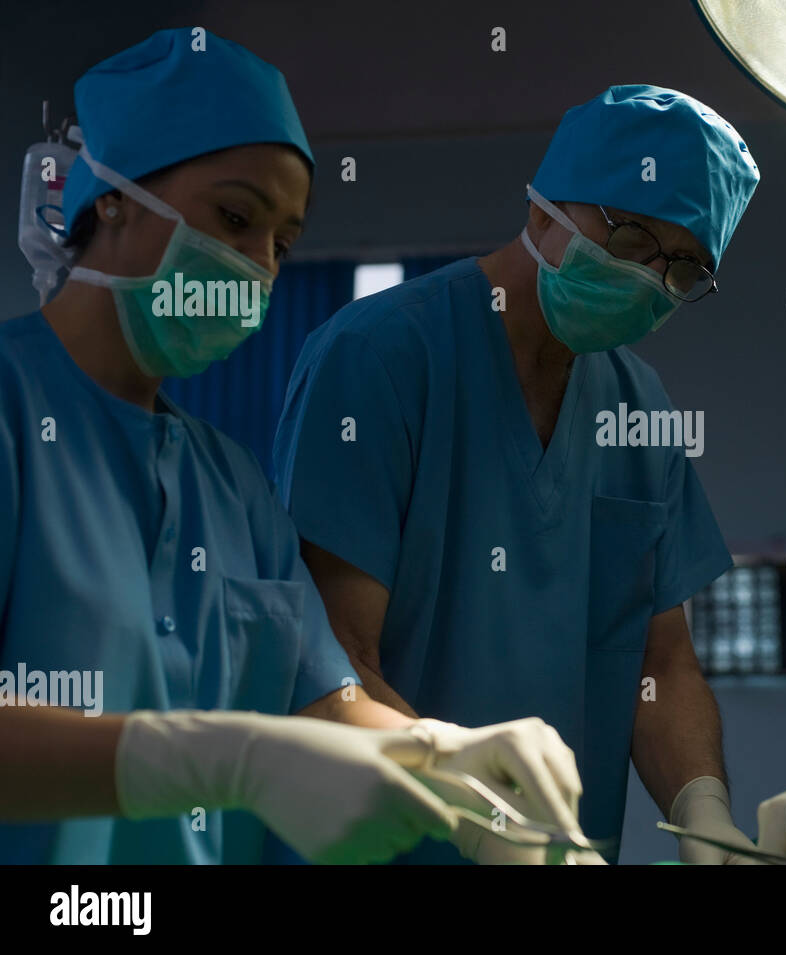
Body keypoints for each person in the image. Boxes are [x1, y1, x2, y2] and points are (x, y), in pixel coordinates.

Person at [0, 28, 587, 865]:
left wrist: (445, 759)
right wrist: (231, 757)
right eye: (235, 218)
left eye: (282, 243)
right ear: (111, 197)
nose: (256, 266)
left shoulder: (231, 487)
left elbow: (324, 701)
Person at [272, 85, 761, 864]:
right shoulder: (380, 359)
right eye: (632, 240)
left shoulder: (639, 406)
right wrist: (485, 818)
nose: (649, 279)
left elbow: (659, 662)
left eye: (683, 269)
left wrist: (705, 813)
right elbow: (331, 660)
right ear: (544, 211)